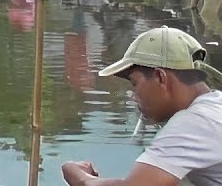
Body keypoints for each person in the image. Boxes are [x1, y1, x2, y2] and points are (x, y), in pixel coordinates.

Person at [61, 25, 222, 186]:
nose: (133, 95)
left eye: (134, 83)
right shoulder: (214, 106)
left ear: (160, 77)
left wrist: (81, 179)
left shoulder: (193, 123)